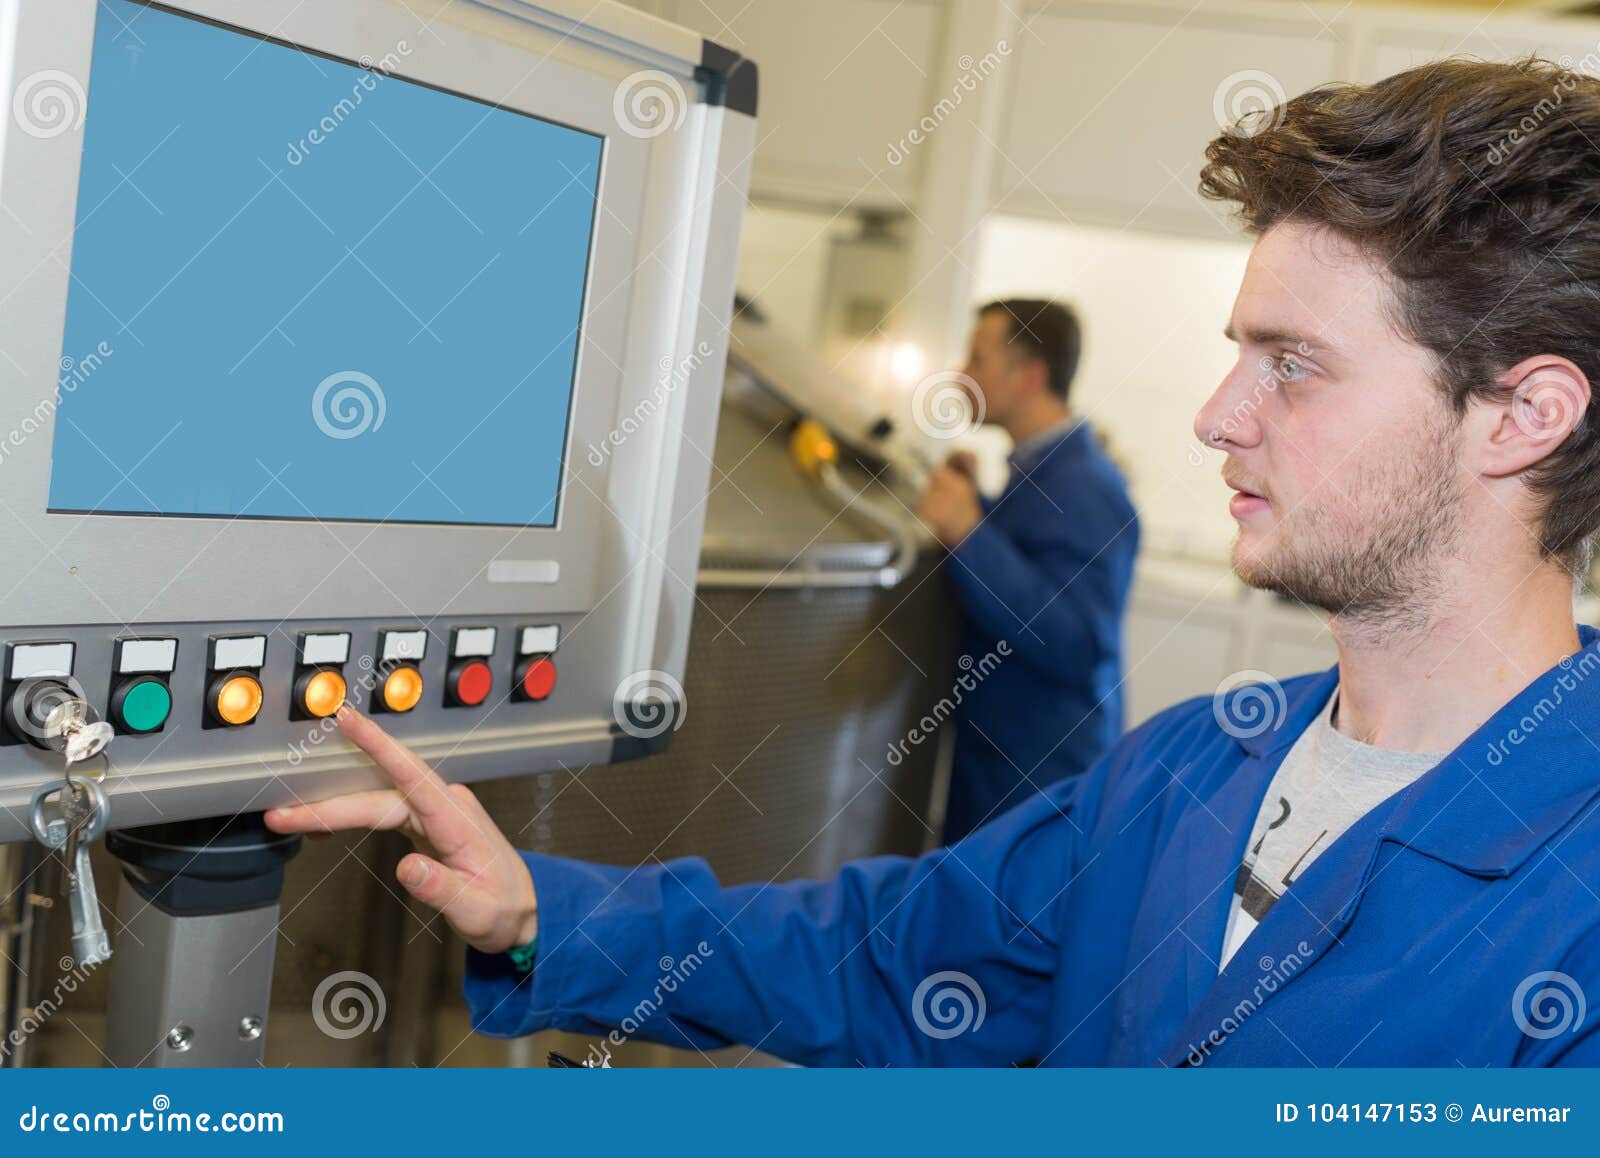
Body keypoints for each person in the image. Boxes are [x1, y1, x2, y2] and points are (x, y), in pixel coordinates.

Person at [268, 58, 1600, 1066]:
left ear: (1524, 414)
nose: (1214, 416)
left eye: (1293, 365)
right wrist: (542, 911)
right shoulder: (1185, 769)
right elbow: (881, 953)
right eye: (1237, 351)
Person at [914, 300, 1138, 841]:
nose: (963, 374)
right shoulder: (1042, 468)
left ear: (1030, 377)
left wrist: (969, 534)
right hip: (1001, 766)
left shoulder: (1087, 487)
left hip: (1038, 778)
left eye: (978, 358)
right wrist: (980, 508)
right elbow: (1040, 562)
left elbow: (1078, 641)